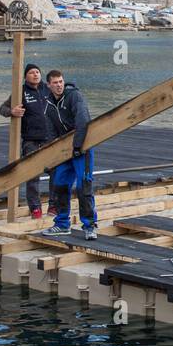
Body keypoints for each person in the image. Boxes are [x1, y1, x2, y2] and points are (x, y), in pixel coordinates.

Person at [41, 69, 97, 239]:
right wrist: (52, 158)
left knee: (83, 186)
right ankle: (62, 224)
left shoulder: (74, 96)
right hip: (64, 152)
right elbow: (51, 133)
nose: (59, 85)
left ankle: (90, 226)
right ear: (49, 85)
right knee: (60, 186)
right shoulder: (48, 104)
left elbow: (83, 120)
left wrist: (78, 146)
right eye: (55, 83)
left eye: (61, 82)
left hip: (82, 147)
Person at [0, 62, 52, 219]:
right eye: (32, 72)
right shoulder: (20, 91)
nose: (35, 74)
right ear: (26, 76)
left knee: (56, 172)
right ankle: (35, 208)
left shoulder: (47, 89)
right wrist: (12, 111)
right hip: (31, 140)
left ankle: (54, 205)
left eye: (37, 72)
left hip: (50, 139)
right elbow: (2, 108)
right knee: (32, 175)